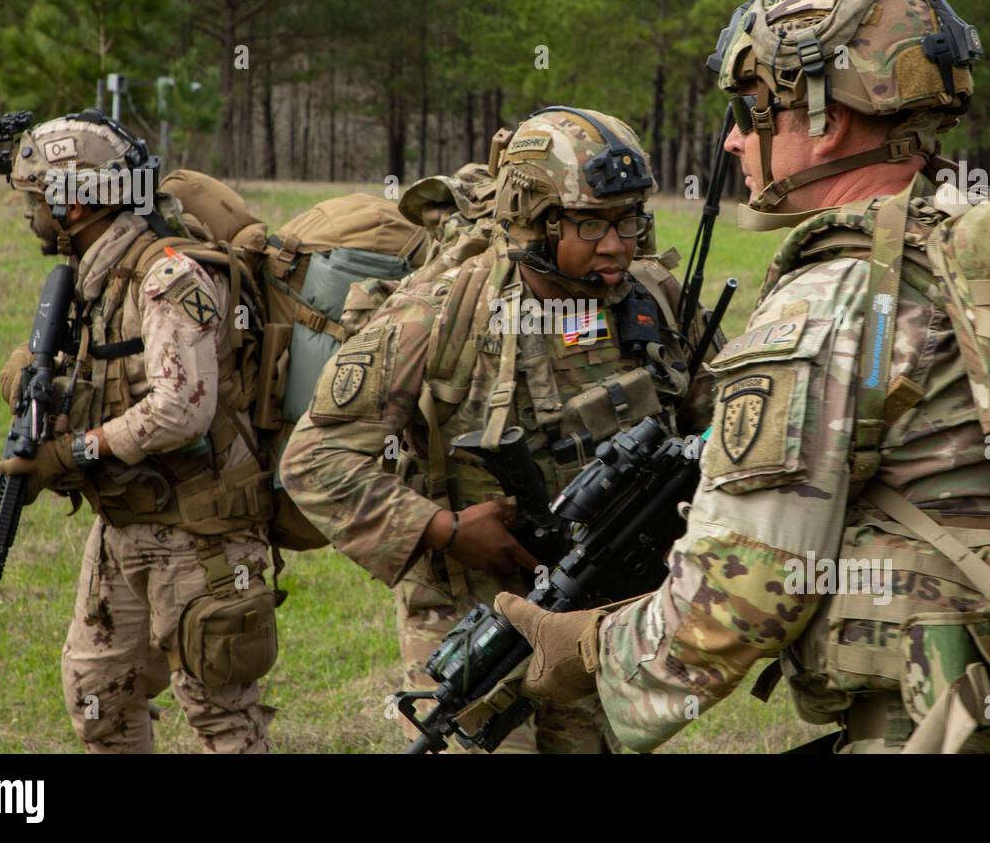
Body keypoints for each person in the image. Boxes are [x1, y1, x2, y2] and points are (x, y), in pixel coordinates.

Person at [493, 0, 990, 754]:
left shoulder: (833, 299)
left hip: (940, 721)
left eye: (752, 110)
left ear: (826, 121)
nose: (736, 144)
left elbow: (738, 602)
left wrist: (582, 650)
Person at [280, 106, 715, 752]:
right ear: (535, 223)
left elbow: (725, 425)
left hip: (600, 609)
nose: (618, 244)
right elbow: (315, 459)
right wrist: (444, 529)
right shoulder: (443, 311)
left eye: (630, 220)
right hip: (468, 614)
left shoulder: (654, 299)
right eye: (591, 223)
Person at [0, 110, 276, 753]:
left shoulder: (166, 276)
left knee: (221, 717)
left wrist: (70, 453)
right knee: (100, 698)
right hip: (124, 520)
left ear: (73, 205)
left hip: (202, 532)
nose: (28, 213)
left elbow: (181, 410)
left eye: (36, 198)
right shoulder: (93, 277)